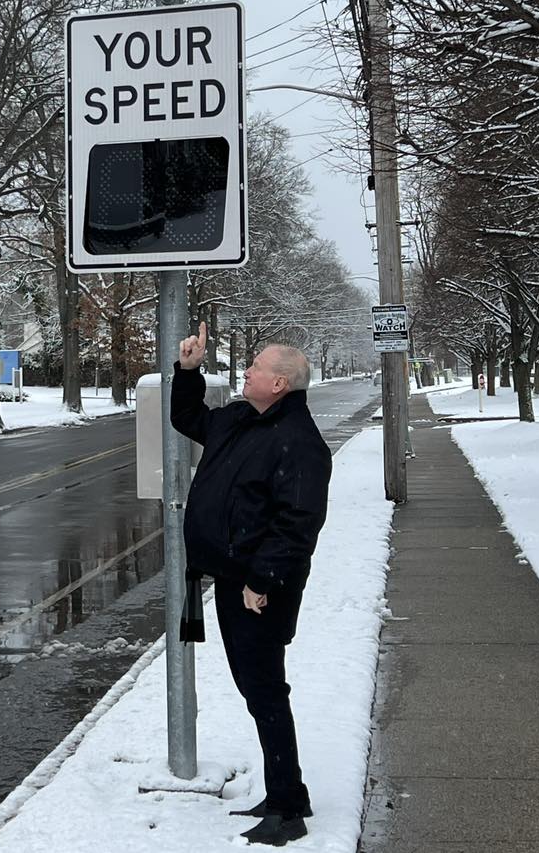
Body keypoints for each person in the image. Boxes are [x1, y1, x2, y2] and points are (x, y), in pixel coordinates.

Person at [171, 323, 332, 848]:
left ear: (280, 383)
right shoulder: (240, 420)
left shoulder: (300, 443)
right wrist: (187, 372)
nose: (246, 371)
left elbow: (296, 524)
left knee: (265, 693)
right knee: (256, 691)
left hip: (259, 591)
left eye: (256, 367)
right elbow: (188, 417)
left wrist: (262, 582)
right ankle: (286, 791)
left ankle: (287, 808)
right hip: (234, 581)